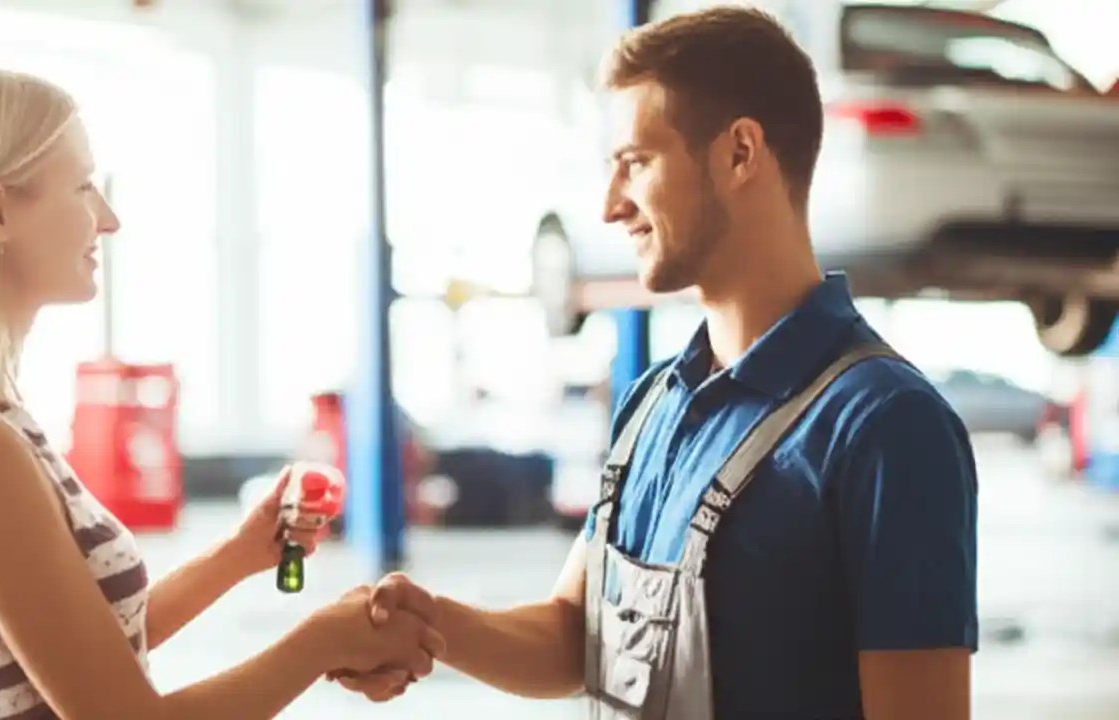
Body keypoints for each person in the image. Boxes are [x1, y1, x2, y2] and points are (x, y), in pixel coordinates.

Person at [334, 7, 978, 720]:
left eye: (635, 163)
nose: (612, 207)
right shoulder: (653, 405)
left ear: (740, 154)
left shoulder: (885, 427)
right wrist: (434, 625)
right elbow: (578, 637)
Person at [0, 67, 443, 720]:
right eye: (83, 186)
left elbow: (79, 652)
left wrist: (238, 555)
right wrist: (322, 642)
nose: (107, 220)